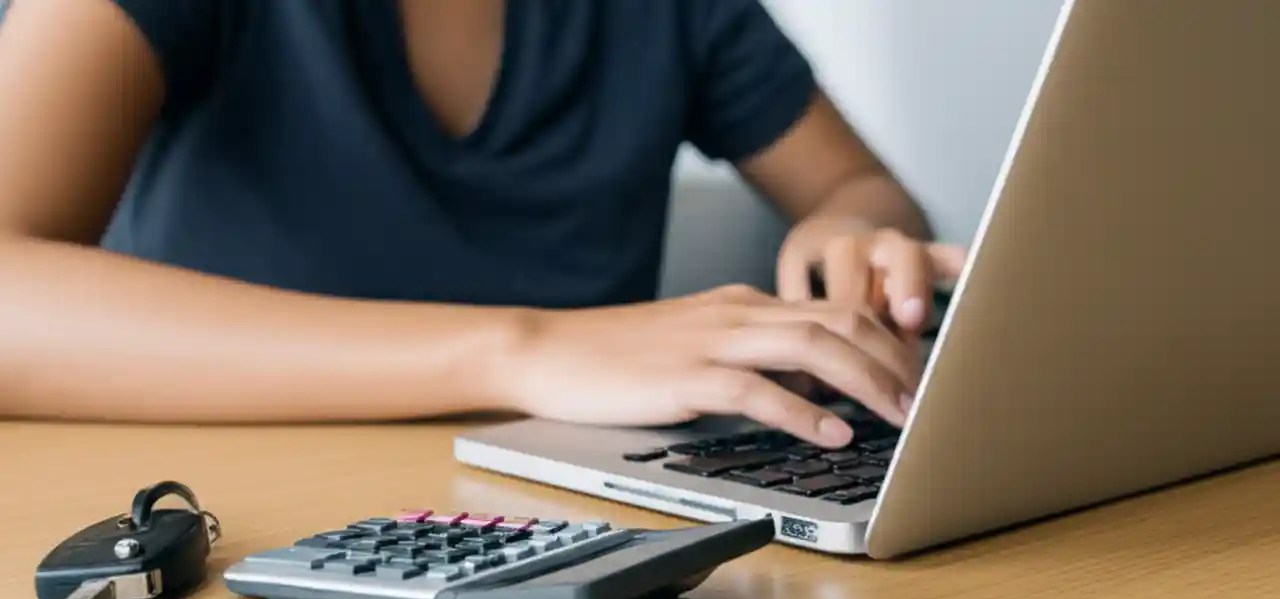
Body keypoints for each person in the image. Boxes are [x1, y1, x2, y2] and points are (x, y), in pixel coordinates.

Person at [0, 0, 965, 448]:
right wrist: (519, 350)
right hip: (222, 530)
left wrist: (853, 233)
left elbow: (862, 189)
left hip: (560, 540)